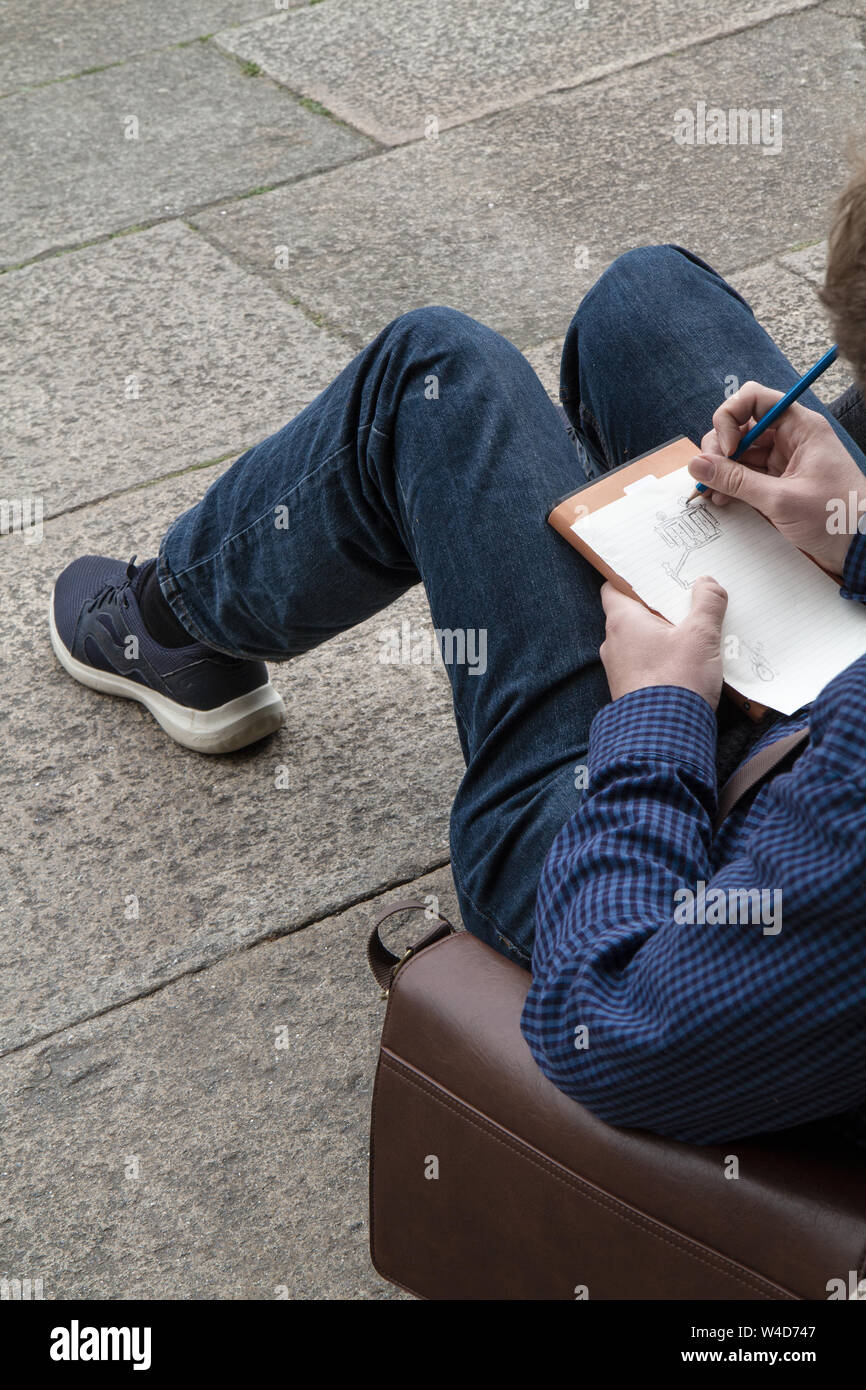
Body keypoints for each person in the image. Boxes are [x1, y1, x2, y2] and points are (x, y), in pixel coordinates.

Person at [50, 178, 866, 1148]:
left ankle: (173, 621)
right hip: (821, 716)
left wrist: (655, 718)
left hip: (698, 859)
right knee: (638, 303)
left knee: (437, 374)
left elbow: (624, 1029)